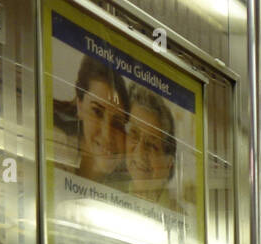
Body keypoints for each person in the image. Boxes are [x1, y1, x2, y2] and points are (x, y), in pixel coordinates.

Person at [51, 55, 130, 186]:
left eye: (117, 123)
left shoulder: (128, 180)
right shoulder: (55, 147)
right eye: (97, 112)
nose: (107, 134)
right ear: (80, 105)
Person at [126, 86, 180, 209]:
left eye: (151, 144)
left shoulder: (181, 220)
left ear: (168, 164)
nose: (140, 152)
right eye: (134, 134)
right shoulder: (109, 198)